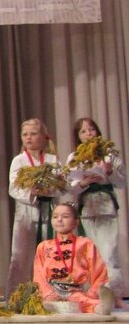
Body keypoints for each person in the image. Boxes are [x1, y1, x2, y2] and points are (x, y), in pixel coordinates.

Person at [65, 117, 125, 300]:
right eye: (83, 131)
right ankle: (95, 295)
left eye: (91, 129)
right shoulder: (74, 157)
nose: (88, 133)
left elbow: (122, 182)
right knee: (91, 254)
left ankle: (114, 296)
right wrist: (84, 182)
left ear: (97, 131)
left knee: (109, 253)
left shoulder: (109, 154)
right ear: (78, 136)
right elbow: (70, 187)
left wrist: (108, 171)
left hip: (106, 206)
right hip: (87, 209)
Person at [7, 118, 60, 294]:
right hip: (25, 212)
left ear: (43, 136)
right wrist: (32, 191)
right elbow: (13, 188)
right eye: (25, 134)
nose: (28, 138)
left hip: (48, 210)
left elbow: (62, 186)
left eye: (33, 134)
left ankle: (50, 292)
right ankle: (17, 295)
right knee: (20, 256)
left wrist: (48, 190)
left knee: (49, 253)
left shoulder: (52, 160)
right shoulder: (19, 160)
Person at [33, 202, 114, 315]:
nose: (59, 220)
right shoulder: (44, 246)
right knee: (44, 304)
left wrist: (92, 292)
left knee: (83, 301)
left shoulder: (85, 243)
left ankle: (100, 307)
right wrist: (47, 293)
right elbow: (39, 275)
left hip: (75, 292)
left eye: (65, 216)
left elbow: (99, 271)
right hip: (52, 292)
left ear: (76, 222)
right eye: (55, 216)